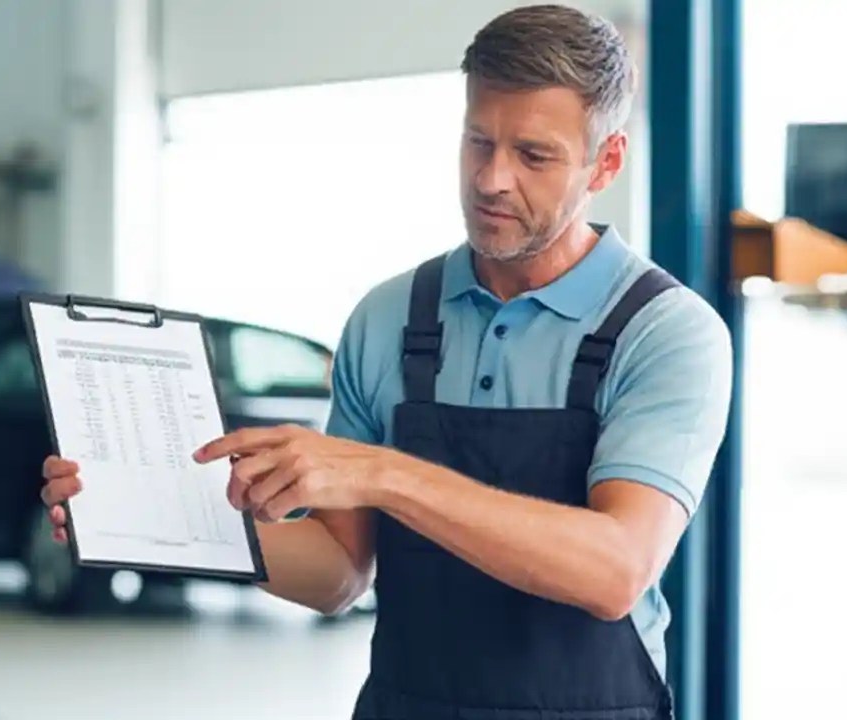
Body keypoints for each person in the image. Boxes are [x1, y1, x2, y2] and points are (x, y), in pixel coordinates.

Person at [42, 5, 732, 719]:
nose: (492, 178)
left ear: (606, 161)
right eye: (477, 141)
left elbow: (615, 570)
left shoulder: (666, 332)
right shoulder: (391, 318)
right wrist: (156, 521)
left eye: (533, 155)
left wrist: (385, 473)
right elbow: (340, 573)